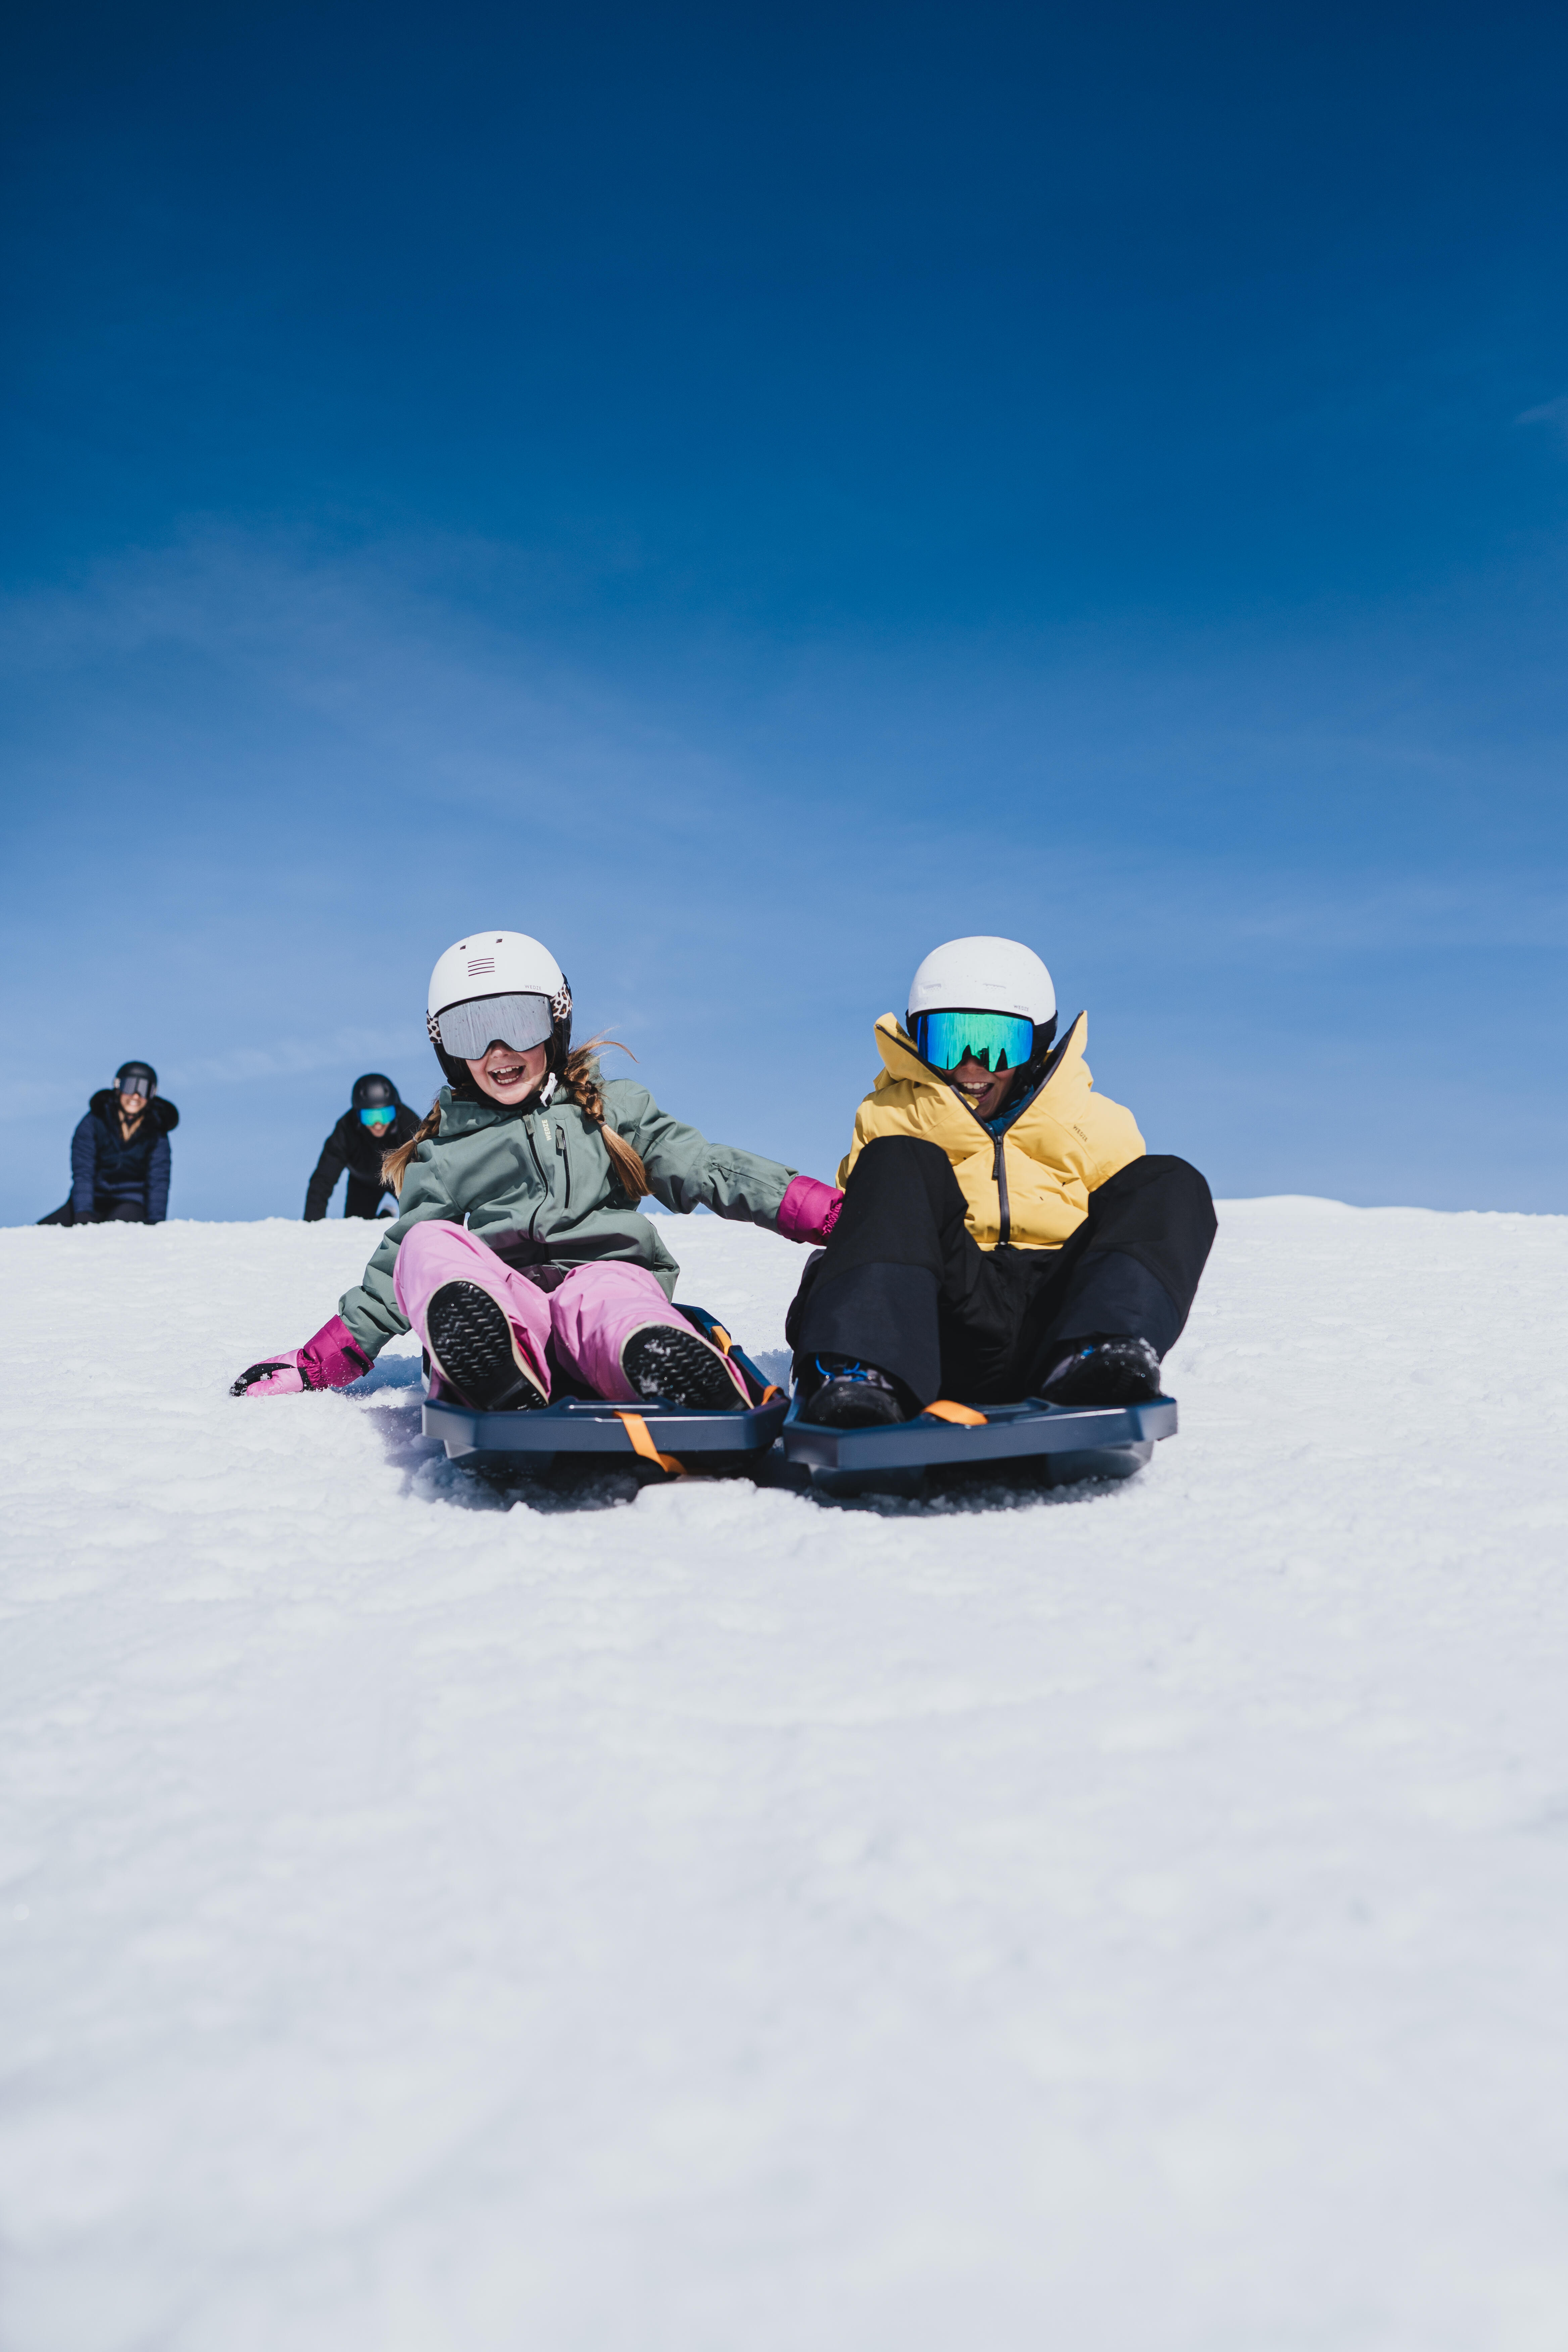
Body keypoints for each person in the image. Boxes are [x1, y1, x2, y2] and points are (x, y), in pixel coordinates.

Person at [232, 931, 844, 1410]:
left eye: (518, 1024)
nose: (497, 1052)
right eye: (471, 1030)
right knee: (426, 1243)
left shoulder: (608, 1109)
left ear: (555, 1020)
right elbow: (396, 1265)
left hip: (605, 1276)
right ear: (445, 1046)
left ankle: (655, 1359)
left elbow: (708, 1167)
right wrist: (323, 1360)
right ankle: (494, 1359)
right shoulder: (444, 1147)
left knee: (608, 1301)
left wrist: (830, 1212)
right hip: (507, 1298)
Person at [787, 935, 1216, 1427]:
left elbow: (1124, 1234)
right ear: (919, 1042)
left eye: (996, 1046)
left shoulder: (1096, 1121)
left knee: (1169, 1180)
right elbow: (873, 1232)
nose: (971, 1066)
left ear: (1035, 1046)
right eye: (949, 1041)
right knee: (894, 1160)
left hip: (1060, 1318)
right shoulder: (889, 1116)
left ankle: (1103, 1355)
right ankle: (866, 1373)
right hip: (941, 1315)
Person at [38, 1062, 179, 1226]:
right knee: (38, 1235)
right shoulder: (94, 1122)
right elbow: (83, 1173)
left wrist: (157, 1223)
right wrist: (83, 1214)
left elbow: (159, 1181)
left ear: (153, 1094)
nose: (135, 1096)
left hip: (131, 1202)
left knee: (112, 1231)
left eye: (144, 1089)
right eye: (130, 1086)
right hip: (92, 1200)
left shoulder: (157, 1130)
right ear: (118, 1087)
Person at [303, 1075, 422, 1220]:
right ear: (358, 1115)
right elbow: (323, 1180)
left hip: (401, 1180)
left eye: (385, 1115)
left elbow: (427, 1167)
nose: (378, 1124)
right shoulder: (346, 1130)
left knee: (418, 1218)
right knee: (357, 1225)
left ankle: (387, 1215)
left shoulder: (410, 1124)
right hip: (363, 1184)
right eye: (370, 1117)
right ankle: (385, 1216)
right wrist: (311, 1226)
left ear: (396, 1111)